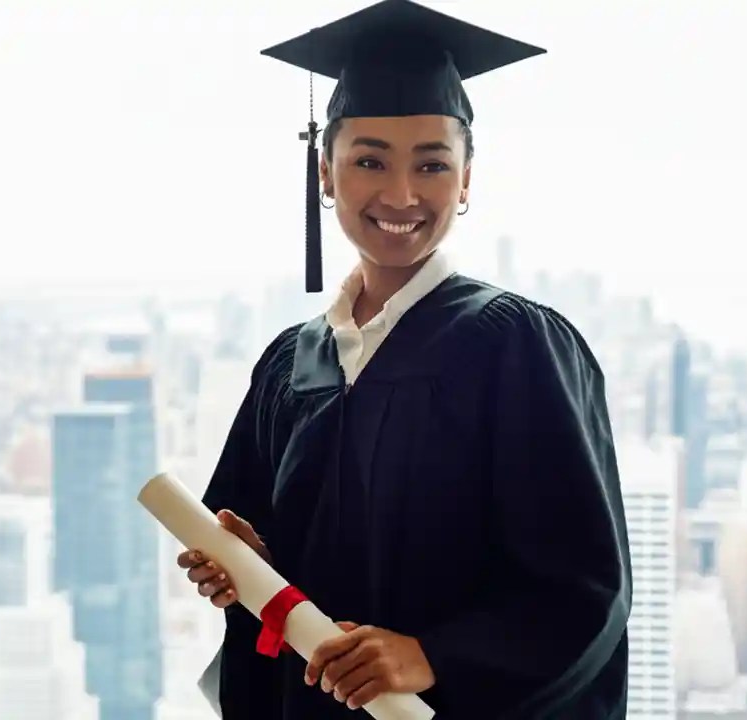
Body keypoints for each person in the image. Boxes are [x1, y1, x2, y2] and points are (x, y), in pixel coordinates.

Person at [176, 1, 632, 717]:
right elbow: (266, 571)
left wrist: (431, 656)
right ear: (325, 173)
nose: (401, 194)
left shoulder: (516, 345)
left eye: (432, 164)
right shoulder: (289, 365)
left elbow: (582, 590)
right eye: (368, 161)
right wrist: (249, 569)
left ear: (468, 180)